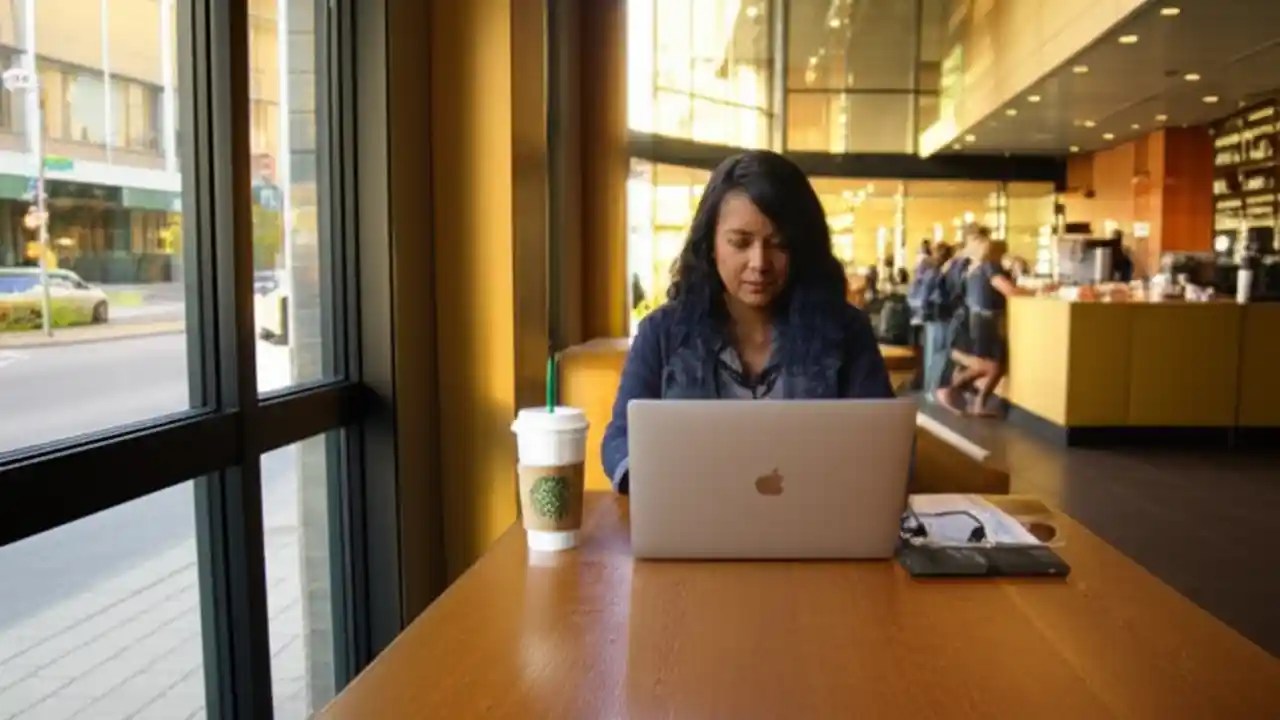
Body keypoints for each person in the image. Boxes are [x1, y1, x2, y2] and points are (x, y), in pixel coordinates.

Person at [600, 150, 894, 493]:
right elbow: (619, 440)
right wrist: (656, 485)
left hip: (816, 531)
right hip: (696, 527)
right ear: (711, 243)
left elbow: (886, 449)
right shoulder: (662, 333)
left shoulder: (846, 332)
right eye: (740, 242)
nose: (760, 263)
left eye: (779, 245)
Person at [935, 231, 1030, 417]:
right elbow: (1009, 290)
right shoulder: (989, 267)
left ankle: (979, 402)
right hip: (986, 322)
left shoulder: (972, 268)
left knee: (998, 366)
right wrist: (1035, 293)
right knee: (991, 366)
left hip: (978, 321)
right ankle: (950, 388)